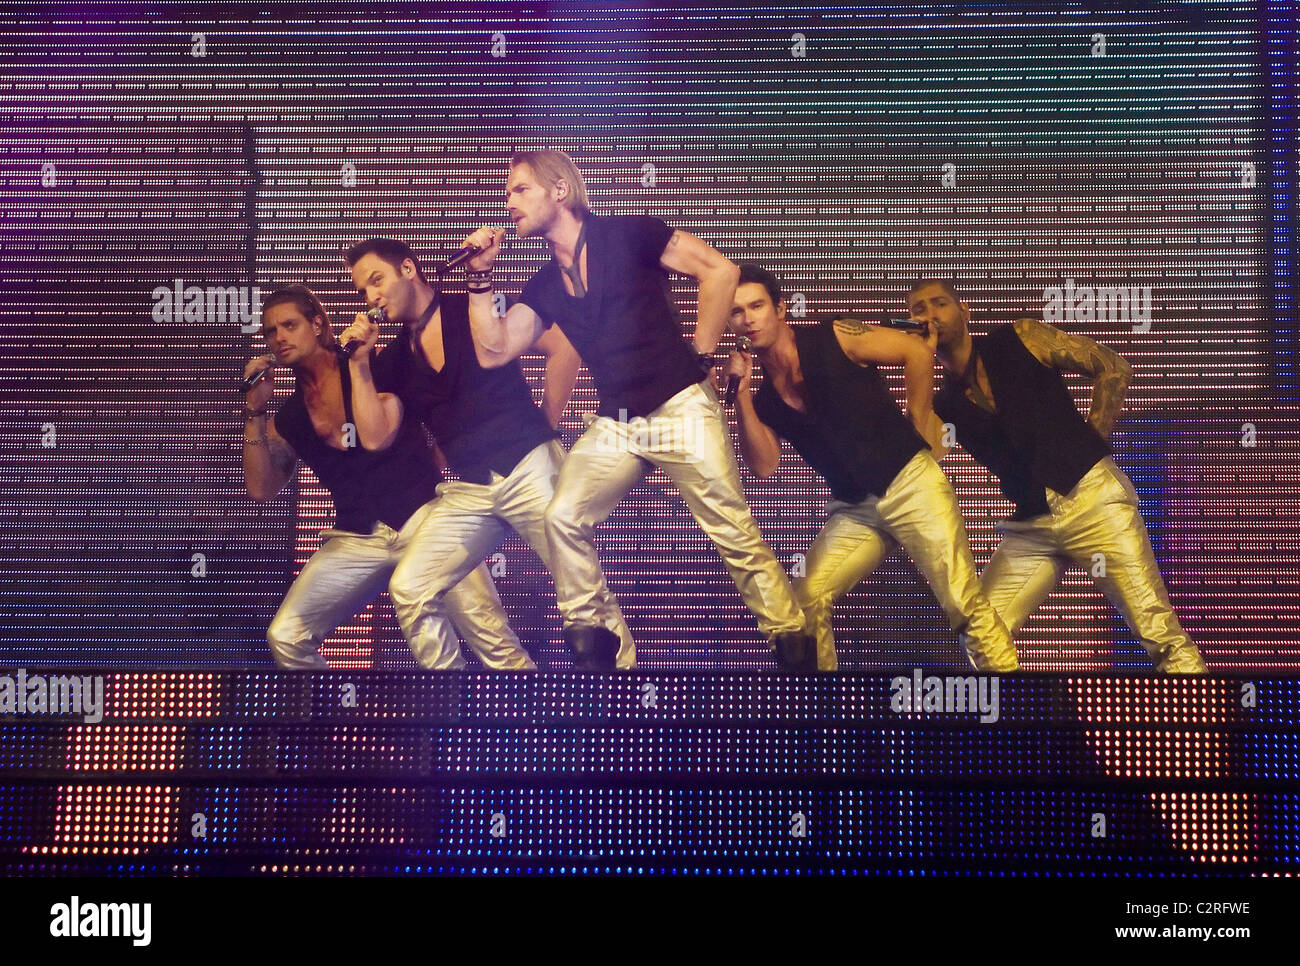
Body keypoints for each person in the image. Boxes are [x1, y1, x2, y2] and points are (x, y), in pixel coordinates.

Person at [462, 150, 814, 671]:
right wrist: (479, 281)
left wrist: (700, 352)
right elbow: (494, 350)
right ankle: (594, 645)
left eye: (519, 189)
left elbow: (718, 271)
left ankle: (791, 644)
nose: (508, 202)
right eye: (508, 192)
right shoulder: (543, 283)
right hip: (619, 423)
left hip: (680, 407)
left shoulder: (627, 234)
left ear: (559, 190)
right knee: (563, 515)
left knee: (730, 528)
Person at [342, 238, 636, 670]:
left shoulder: (474, 306)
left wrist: (547, 423)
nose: (371, 297)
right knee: (410, 588)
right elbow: (373, 438)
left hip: (527, 464)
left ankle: (623, 699)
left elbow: (563, 347)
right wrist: (359, 365)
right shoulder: (393, 360)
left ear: (408, 268)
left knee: (581, 587)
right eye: (363, 291)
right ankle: (469, 697)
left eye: (376, 281)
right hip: (468, 490)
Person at [723, 264, 1019, 672]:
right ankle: (824, 721)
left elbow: (914, 351)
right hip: (856, 508)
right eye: (737, 312)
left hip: (908, 483)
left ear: (780, 309)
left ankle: (1017, 708)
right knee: (807, 600)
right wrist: (740, 396)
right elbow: (765, 466)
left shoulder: (834, 335)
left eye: (756, 305)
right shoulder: (763, 399)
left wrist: (918, 422)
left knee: (963, 602)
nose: (748, 318)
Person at [912, 279, 1206, 673]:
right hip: (1033, 524)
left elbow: (1112, 366)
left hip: (1093, 500)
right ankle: (1019, 724)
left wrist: (1090, 441)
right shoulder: (943, 400)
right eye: (919, 309)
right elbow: (920, 461)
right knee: (981, 631)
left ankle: (1211, 732)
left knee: (1159, 633)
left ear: (963, 310)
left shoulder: (1021, 336)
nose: (930, 315)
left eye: (939, 304)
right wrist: (920, 361)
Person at [242, 284, 533, 670]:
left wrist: (439, 461)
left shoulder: (375, 366)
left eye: (288, 325)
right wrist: (255, 412)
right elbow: (262, 489)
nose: (278, 338)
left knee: (492, 637)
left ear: (317, 324)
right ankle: (336, 728)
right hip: (358, 535)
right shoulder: (292, 416)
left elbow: (442, 408)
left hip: (427, 519)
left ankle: (526, 725)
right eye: (269, 331)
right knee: (286, 634)